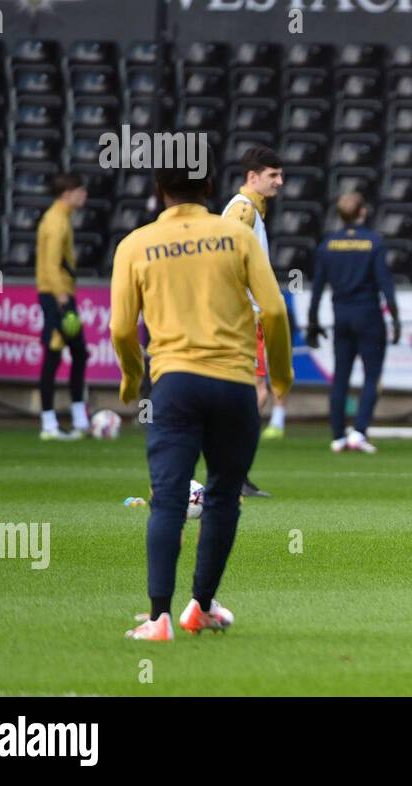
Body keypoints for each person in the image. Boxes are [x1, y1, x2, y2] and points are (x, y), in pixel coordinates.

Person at [112, 165, 292, 640]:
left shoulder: (135, 244)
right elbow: (273, 309)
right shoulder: (237, 235)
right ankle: (203, 606)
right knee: (223, 497)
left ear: (159, 190)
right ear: (210, 187)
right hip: (233, 385)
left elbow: (120, 328)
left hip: (175, 384)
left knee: (168, 500)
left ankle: (158, 619)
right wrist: (282, 374)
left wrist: (132, 380)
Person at [307, 191, 401, 454]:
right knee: (372, 376)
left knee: (340, 378)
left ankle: (338, 436)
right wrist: (395, 318)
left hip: (341, 316)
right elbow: (385, 284)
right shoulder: (374, 242)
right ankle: (359, 432)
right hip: (369, 315)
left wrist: (313, 321)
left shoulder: (328, 244)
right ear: (363, 212)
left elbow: (317, 288)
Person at [222, 145, 284, 497]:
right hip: (245, 317)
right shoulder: (243, 211)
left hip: (248, 315)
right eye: (273, 175)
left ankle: (233, 470)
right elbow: (223, 260)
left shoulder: (250, 210)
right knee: (255, 392)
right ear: (252, 177)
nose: (280, 181)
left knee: (256, 391)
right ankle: (233, 471)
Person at [35, 173, 90, 440]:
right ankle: (51, 423)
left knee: (72, 353)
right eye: (80, 191)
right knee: (61, 354)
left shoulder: (59, 217)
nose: (84, 196)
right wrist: (61, 298)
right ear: (67, 193)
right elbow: (50, 265)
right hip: (58, 296)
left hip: (59, 294)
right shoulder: (57, 221)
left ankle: (72, 419)